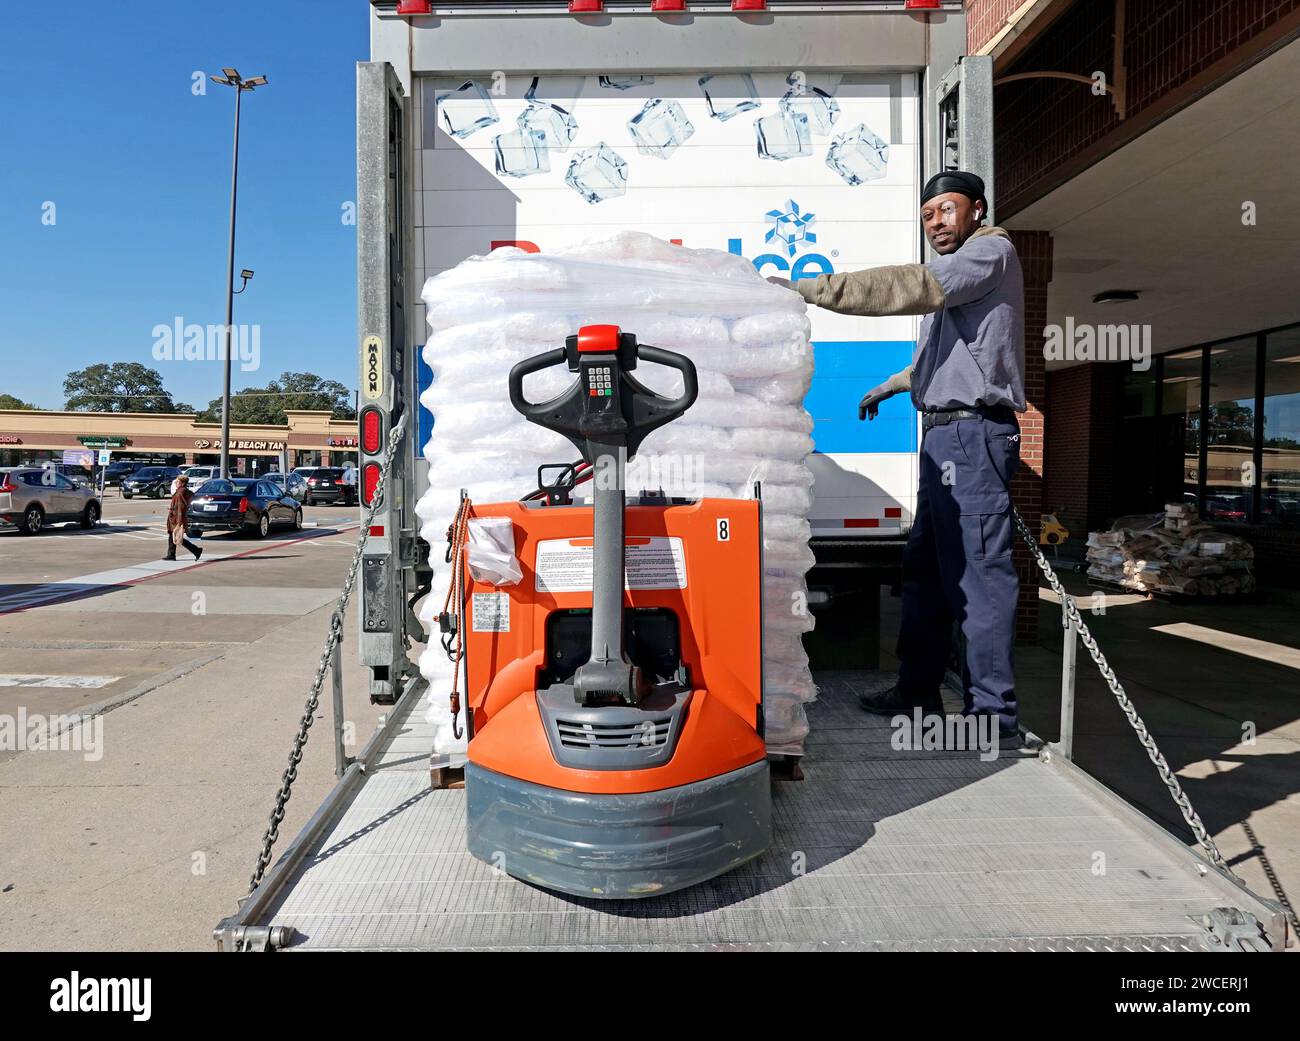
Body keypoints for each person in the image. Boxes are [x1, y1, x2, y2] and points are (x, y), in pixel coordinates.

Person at [770, 170, 1025, 749]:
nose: (936, 221)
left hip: (973, 438)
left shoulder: (988, 252)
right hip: (944, 439)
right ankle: (917, 690)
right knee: (927, 574)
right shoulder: (966, 279)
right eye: (928, 213)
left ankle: (995, 717)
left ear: (977, 210)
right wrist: (890, 386)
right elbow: (948, 359)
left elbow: (906, 286)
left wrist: (809, 289)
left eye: (948, 210)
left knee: (981, 580)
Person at [164, 474, 203, 562]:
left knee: (177, 537)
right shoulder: (183, 491)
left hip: (176, 518)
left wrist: (179, 521)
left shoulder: (181, 492)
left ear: (182, 483)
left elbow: (181, 506)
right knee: (172, 535)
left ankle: (196, 550)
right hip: (175, 516)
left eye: (178, 482)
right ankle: (171, 555)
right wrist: (172, 508)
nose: (176, 483)